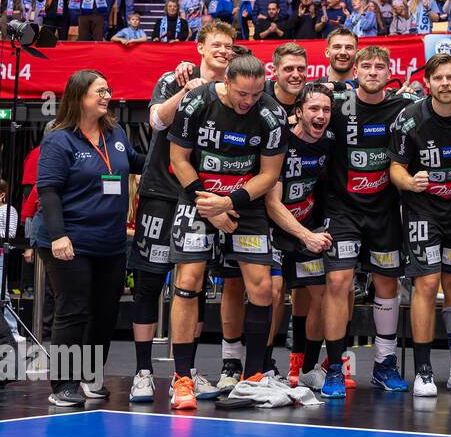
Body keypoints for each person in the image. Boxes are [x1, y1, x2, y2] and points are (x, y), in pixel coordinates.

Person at [164, 53, 287, 410]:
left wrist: (228, 202)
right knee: (188, 280)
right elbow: (179, 159)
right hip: (196, 196)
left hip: (244, 203)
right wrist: (208, 206)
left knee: (263, 286)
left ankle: (252, 377)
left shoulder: (271, 114)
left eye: (255, 94)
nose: (248, 101)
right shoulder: (196, 102)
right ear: (227, 82)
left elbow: (269, 175)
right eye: (242, 94)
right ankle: (182, 378)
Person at [125, 22, 237, 404]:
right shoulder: (174, 79)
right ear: (200, 48)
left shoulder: (234, 91)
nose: (223, 50)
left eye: (229, 46)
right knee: (150, 281)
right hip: (162, 193)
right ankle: (142, 371)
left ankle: (184, 373)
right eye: (217, 44)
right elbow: (156, 120)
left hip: (203, 198)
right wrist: (187, 90)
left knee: (195, 284)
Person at [36, 70, 144, 406]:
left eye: (108, 90)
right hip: (69, 241)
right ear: (79, 96)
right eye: (99, 91)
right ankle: (63, 385)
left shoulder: (116, 133)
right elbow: (49, 190)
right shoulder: (59, 138)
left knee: (105, 312)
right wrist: (58, 236)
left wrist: (167, 140)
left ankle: (89, 374)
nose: (106, 96)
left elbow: (138, 162)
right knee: (74, 310)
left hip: (110, 243)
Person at [389, 54, 451, 396]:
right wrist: (409, 182)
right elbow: (395, 169)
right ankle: (423, 372)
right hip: (421, 210)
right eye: (439, 78)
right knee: (427, 283)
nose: (446, 84)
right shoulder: (410, 119)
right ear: (428, 83)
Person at [318, 44, 417, 399]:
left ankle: (383, 365)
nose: (373, 72)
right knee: (338, 282)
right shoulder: (337, 107)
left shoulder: (404, 109)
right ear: (356, 70)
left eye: (379, 67)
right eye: (367, 66)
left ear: (389, 71)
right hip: (343, 209)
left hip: (386, 211)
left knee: (387, 286)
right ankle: (332, 367)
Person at [265, 82, 335, 390]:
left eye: (326, 110)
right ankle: (262, 367)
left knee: (319, 294)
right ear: (298, 112)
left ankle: (306, 367)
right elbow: (272, 203)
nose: (321, 115)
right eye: (314, 109)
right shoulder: (282, 143)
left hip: (306, 228)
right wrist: (306, 235)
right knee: (274, 292)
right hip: (274, 229)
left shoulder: (328, 142)